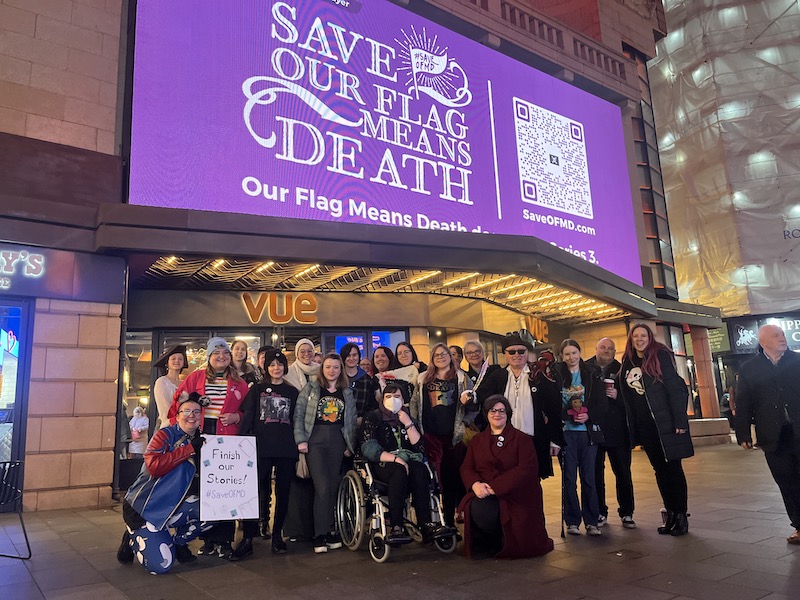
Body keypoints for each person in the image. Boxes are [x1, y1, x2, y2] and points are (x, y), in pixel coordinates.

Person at [167, 337, 249, 557]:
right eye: (216, 353)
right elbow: (177, 404)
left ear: (229, 357)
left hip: (227, 440)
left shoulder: (239, 383)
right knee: (204, 489)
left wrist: (236, 417)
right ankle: (208, 540)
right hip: (201, 438)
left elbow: (248, 412)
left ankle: (224, 540)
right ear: (209, 357)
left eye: (224, 353)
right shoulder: (195, 377)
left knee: (226, 490)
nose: (220, 357)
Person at [117, 392, 209, 574]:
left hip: (173, 505)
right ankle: (131, 536)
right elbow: (154, 466)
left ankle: (180, 543)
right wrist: (189, 450)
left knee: (217, 509)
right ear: (177, 415)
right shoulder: (164, 435)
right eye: (187, 411)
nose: (192, 415)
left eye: (197, 411)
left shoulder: (205, 441)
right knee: (161, 566)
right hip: (143, 508)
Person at [618, 323, 693, 536]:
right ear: (631, 339)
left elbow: (676, 388)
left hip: (665, 424)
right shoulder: (628, 362)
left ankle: (681, 516)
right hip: (645, 427)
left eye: (643, 335)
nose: (639, 339)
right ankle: (670, 514)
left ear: (649, 338)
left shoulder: (660, 356)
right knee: (659, 470)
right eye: (636, 336)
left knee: (673, 470)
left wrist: (680, 421)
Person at [459, 395, 554, 559]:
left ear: (508, 413)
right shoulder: (477, 440)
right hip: (484, 491)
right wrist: (475, 484)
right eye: (493, 410)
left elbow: (527, 468)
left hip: (515, 493)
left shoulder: (522, 439)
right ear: (486, 414)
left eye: (502, 411)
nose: (497, 414)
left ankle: (505, 542)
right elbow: (467, 467)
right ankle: (491, 543)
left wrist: (496, 487)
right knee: (476, 508)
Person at [735, 324, 800, 545]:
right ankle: (799, 526)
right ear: (764, 342)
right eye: (776, 335)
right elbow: (743, 403)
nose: (782, 338)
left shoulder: (797, 361)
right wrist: (742, 432)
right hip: (775, 437)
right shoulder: (749, 369)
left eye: (782, 334)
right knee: (786, 482)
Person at [360, 384, 448, 544]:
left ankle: (426, 524)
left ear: (403, 399)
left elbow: (419, 447)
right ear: (382, 399)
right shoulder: (373, 418)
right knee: (399, 470)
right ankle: (396, 526)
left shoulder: (409, 418)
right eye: (388, 396)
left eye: (397, 396)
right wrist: (395, 458)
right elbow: (368, 447)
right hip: (383, 463)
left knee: (420, 469)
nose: (393, 400)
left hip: (410, 461)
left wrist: (407, 423)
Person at [233, 349, 299, 559]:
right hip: (260, 448)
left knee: (283, 492)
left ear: (285, 367)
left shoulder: (293, 392)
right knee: (254, 492)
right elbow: (248, 417)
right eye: (272, 365)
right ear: (265, 367)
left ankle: (278, 534)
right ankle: (248, 538)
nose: (276, 368)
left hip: (286, 448)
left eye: (280, 364)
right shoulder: (257, 390)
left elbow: (297, 421)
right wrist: (240, 443)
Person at [475, 333, 562, 480]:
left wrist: (555, 439)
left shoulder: (539, 377)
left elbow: (553, 409)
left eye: (521, 351)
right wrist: (469, 396)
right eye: (512, 352)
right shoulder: (497, 376)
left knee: (532, 482)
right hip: (503, 440)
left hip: (532, 440)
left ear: (527, 353)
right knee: (504, 480)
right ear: (505, 354)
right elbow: (481, 395)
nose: (517, 355)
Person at [294, 353, 357, 553]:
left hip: (337, 441)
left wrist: (350, 444)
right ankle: (319, 534)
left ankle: (330, 530)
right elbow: (299, 414)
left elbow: (351, 420)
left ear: (341, 370)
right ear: (322, 369)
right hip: (316, 441)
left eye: (336, 367)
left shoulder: (346, 392)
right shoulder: (311, 388)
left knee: (332, 487)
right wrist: (301, 440)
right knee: (321, 487)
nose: (332, 370)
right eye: (328, 367)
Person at [410, 342, 475, 527]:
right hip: (430, 435)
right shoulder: (423, 378)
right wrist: (414, 425)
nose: (440, 357)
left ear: (450, 356)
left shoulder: (462, 377)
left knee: (451, 479)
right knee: (433, 479)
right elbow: (415, 402)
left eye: (444, 354)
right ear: (432, 358)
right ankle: (431, 520)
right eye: (436, 355)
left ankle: (449, 520)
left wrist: (465, 421)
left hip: (453, 436)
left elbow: (474, 402)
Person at [553, 339, 607, 536]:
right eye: (567, 354)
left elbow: (602, 403)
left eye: (574, 353)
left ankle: (592, 521)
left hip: (587, 433)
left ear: (580, 353)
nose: (571, 357)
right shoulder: (556, 374)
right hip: (566, 433)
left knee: (589, 478)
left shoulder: (591, 374)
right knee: (568, 478)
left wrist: (589, 415)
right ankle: (572, 521)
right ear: (562, 356)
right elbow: (551, 404)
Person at [586, 337, 635, 529]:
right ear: (596, 349)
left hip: (618, 431)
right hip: (594, 429)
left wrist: (619, 396)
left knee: (623, 472)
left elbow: (633, 399)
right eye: (603, 347)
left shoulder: (623, 370)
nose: (606, 351)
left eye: (610, 349)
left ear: (615, 352)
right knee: (595, 474)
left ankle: (627, 512)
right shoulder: (586, 368)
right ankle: (599, 512)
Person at [152, 345, 188, 429]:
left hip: (185, 426)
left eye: (180, 359)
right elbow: (165, 410)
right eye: (173, 358)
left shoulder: (185, 383)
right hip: (168, 426)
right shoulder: (161, 382)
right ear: (167, 362)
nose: (177, 361)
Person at [340, 342, 377, 419]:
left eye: (354, 355)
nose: (351, 358)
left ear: (359, 356)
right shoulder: (338, 377)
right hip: (339, 422)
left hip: (359, 423)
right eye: (348, 356)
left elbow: (371, 405)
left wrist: (363, 419)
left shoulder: (367, 379)